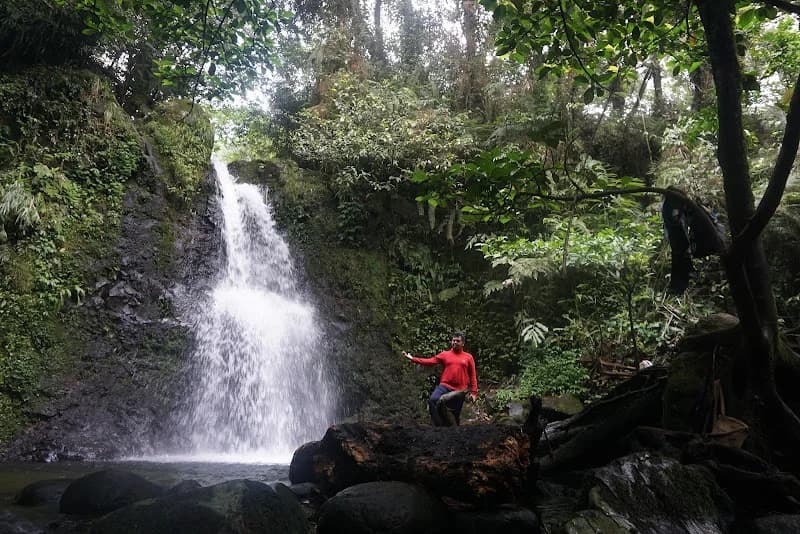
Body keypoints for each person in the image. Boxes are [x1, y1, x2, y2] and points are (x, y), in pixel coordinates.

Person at [403, 332, 478, 426]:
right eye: (453, 340)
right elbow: (429, 361)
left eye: (457, 341)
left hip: (460, 390)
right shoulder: (445, 355)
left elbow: (473, 375)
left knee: (455, 414)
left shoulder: (468, 357)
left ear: (462, 343)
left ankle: (455, 433)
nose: (454, 342)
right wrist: (412, 358)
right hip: (445, 386)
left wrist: (474, 392)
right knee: (433, 400)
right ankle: (438, 426)